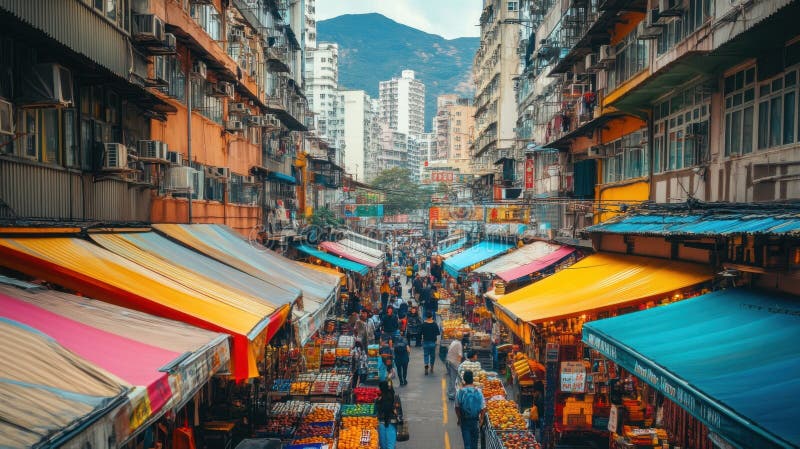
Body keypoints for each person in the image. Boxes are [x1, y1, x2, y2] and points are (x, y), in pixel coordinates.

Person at [455, 370, 486, 449]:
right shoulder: (478, 391)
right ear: (472, 379)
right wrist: (481, 419)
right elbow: (483, 407)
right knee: (474, 444)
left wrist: (459, 419)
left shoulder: (460, 392)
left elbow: (457, 407)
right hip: (475, 421)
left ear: (464, 379)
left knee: (467, 444)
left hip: (464, 421)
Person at [375, 380, 401, 449]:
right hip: (391, 424)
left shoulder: (378, 399)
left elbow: (376, 411)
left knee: (383, 445)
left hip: (381, 424)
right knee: (390, 445)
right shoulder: (395, 397)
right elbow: (399, 412)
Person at [445, 333, 466, 400]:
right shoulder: (459, 344)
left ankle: (450, 392)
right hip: (453, 363)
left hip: (449, 361)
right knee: (454, 379)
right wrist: (459, 365)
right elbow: (460, 355)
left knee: (452, 378)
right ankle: (452, 394)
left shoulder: (454, 342)